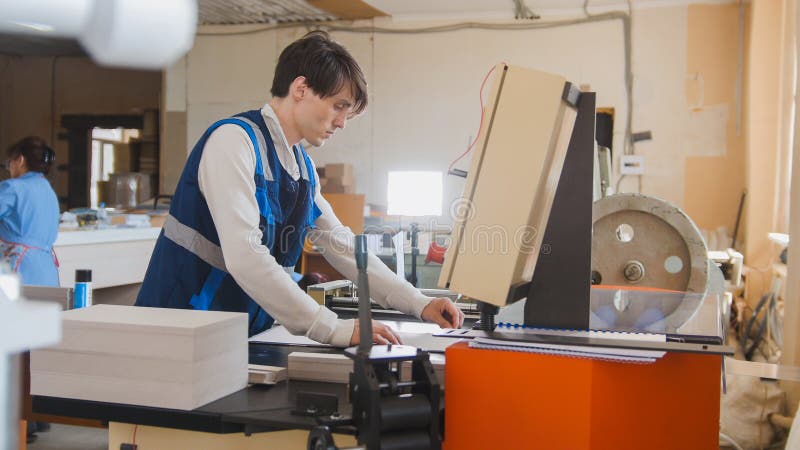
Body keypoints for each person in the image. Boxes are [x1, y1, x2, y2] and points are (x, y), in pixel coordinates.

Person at [137, 31, 464, 346]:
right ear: (300, 88)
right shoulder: (233, 142)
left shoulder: (302, 170)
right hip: (178, 332)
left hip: (237, 335)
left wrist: (419, 303)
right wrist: (332, 328)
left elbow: (344, 247)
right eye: (339, 106)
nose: (342, 123)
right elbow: (245, 255)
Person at [0, 136, 59, 287]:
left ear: (19, 160)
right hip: (47, 270)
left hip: (20, 269)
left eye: (9, 163)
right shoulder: (48, 190)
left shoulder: (13, 187)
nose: (10, 168)